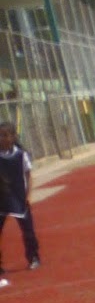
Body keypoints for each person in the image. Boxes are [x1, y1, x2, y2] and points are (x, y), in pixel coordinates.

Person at [0, 121, 42, 285]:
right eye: (0, 135)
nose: (2, 138)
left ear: (13, 136)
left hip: (19, 198)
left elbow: (29, 175)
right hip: (2, 199)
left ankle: (33, 257)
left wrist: (28, 195)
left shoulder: (20, 155)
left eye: (5, 135)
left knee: (28, 231)